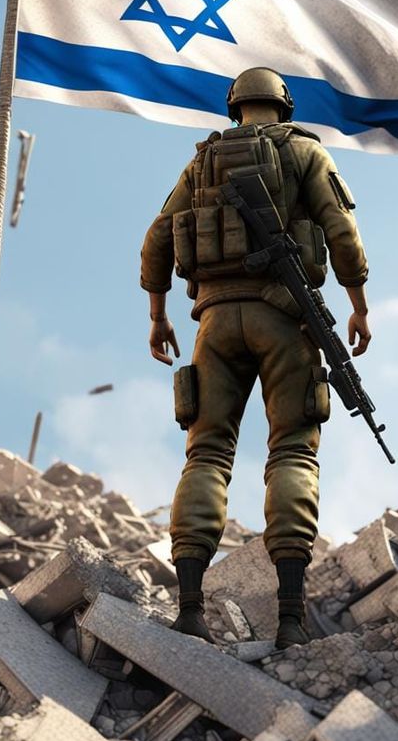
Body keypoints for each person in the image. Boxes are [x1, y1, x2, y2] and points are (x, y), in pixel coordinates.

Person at [141, 65, 371, 647]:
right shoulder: (304, 153)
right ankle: (291, 619)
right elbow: (341, 233)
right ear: (284, 103)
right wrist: (358, 305)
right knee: (293, 449)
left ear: (234, 105)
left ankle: (190, 611)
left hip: (213, 323)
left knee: (206, 456)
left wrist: (158, 316)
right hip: (284, 320)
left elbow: (156, 241)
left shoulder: (202, 163)